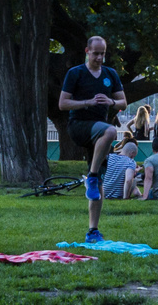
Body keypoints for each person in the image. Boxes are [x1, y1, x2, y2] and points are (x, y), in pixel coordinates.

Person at [58, 35, 127, 243]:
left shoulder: (110, 74)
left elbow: (123, 101)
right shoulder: (75, 73)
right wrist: (87, 102)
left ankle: (93, 231)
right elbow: (63, 104)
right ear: (87, 51)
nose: (99, 58)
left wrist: (111, 101)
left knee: (99, 186)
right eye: (96, 53)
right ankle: (92, 176)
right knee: (111, 132)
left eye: (103, 54)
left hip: (99, 133)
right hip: (79, 126)